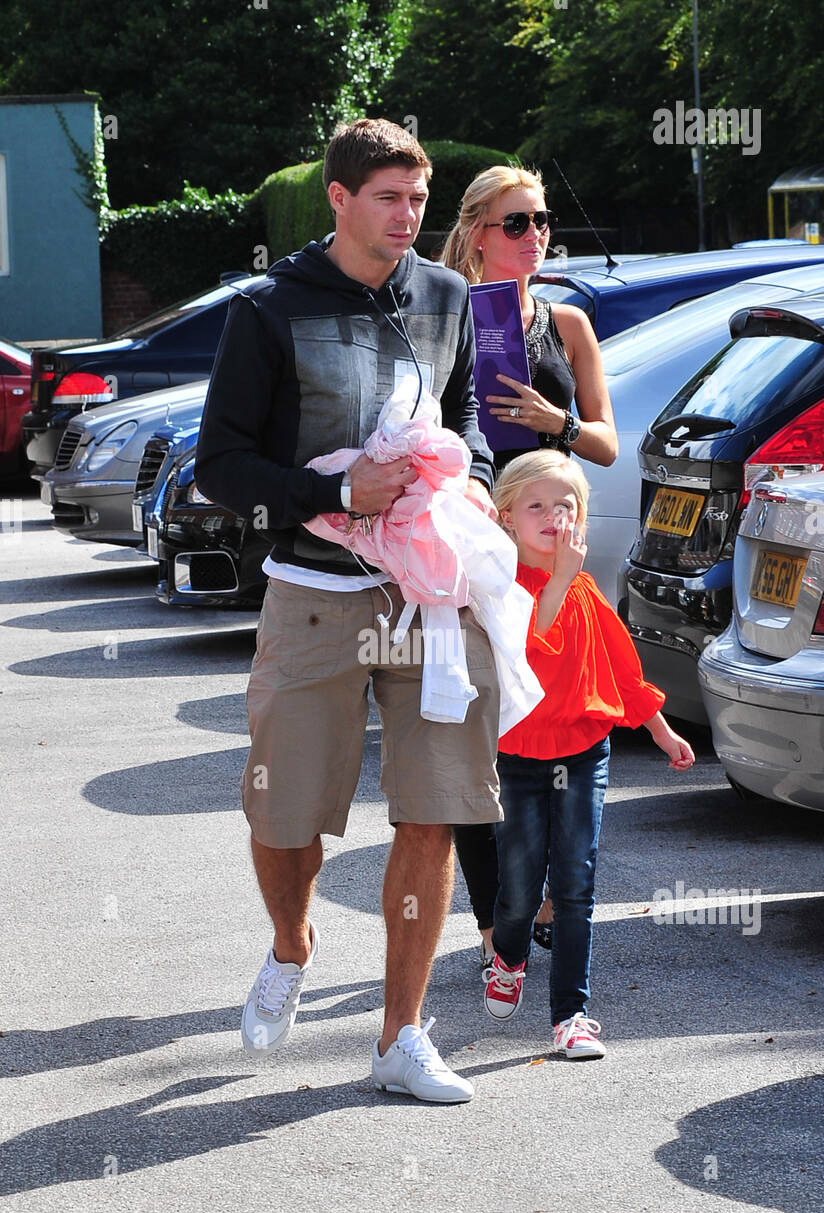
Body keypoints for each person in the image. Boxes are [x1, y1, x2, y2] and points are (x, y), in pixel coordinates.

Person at [194, 119, 501, 1104]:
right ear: (338, 198)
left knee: (432, 811)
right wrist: (330, 498)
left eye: (417, 200)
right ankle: (290, 944)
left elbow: (470, 424)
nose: (407, 217)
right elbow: (219, 466)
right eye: (387, 198)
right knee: (285, 812)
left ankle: (400, 1035)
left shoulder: (449, 297)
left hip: (428, 598)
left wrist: (474, 485)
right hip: (314, 596)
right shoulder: (269, 310)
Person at [440, 166, 619, 966]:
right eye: (516, 223)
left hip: (553, 550)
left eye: (542, 221)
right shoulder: (447, 313)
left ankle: (540, 898)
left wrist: (560, 422)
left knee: (554, 727)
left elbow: (610, 444)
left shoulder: (569, 322)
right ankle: (493, 926)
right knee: (482, 740)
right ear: (479, 232)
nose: (535, 235)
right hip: (481, 546)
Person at [481, 449, 695, 1057]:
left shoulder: (585, 591)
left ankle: (571, 1015)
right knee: (520, 889)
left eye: (566, 505)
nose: (553, 517)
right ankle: (509, 956)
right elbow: (531, 648)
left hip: (584, 751)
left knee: (575, 885)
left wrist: (659, 729)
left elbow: (622, 669)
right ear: (506, 518)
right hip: (519, 755)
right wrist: (558, 580)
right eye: (537, 506)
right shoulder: (502, 588)